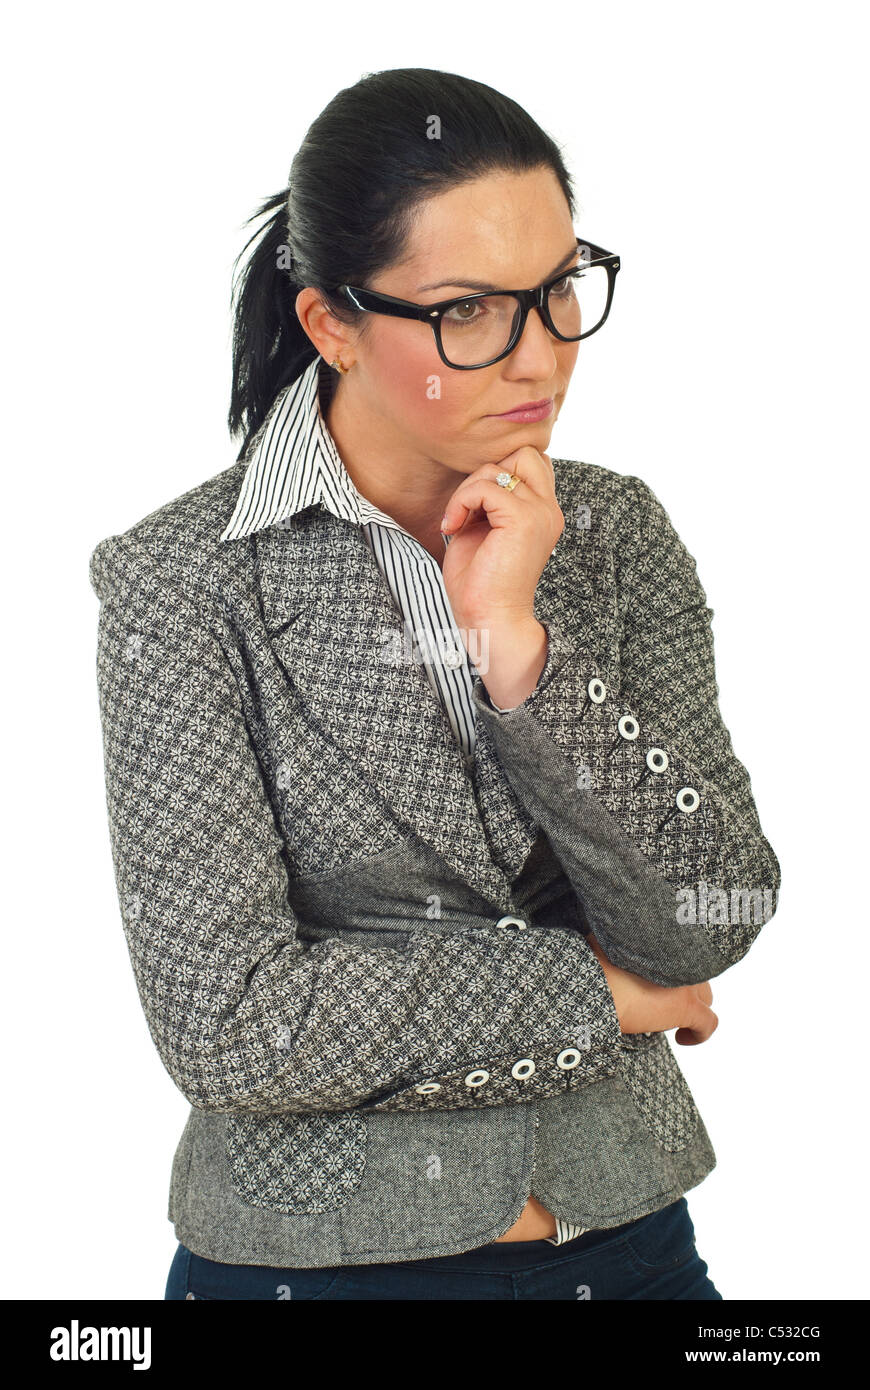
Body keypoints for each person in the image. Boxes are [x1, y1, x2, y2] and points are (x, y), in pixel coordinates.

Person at [89, 67, 780, 1301]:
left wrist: (519, 651)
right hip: (314, 1268)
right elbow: (236, 1021)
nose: (540, 355)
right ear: (331, 324)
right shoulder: (182, 580)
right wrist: (603, 995)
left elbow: (707, 913)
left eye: (560, 289)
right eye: (469, 310)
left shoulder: (616, 536)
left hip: (626, 1247)